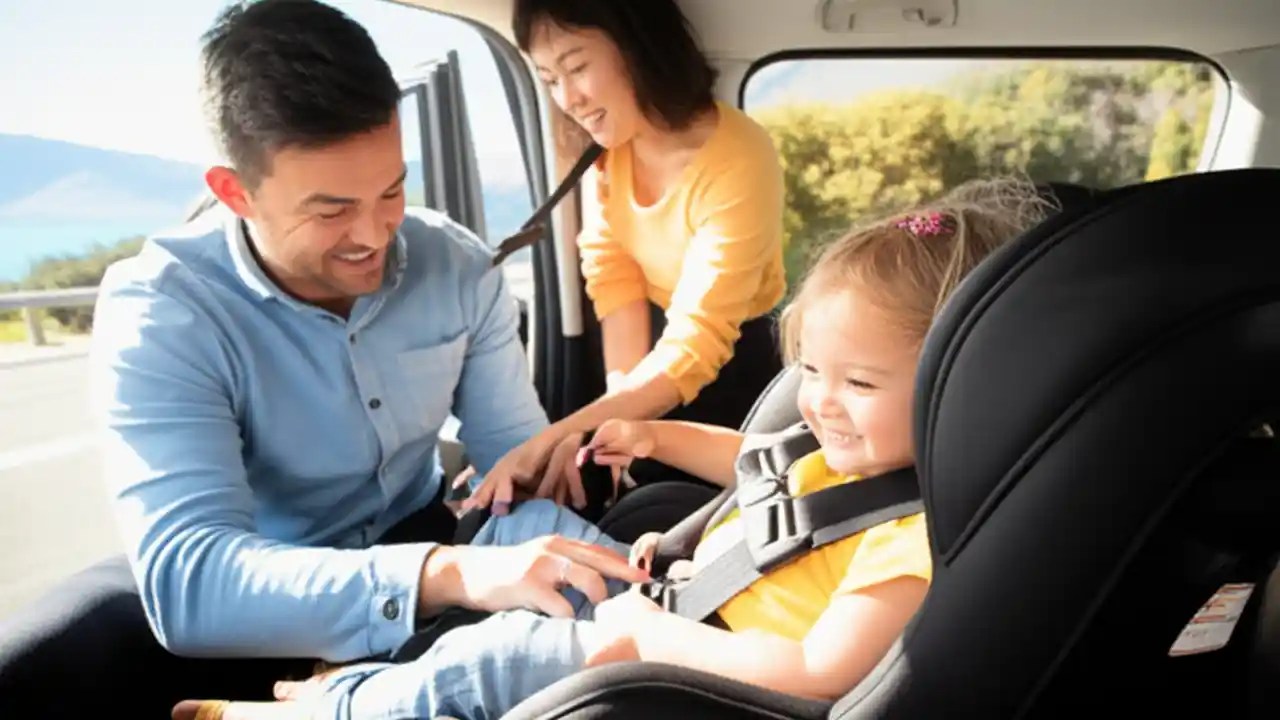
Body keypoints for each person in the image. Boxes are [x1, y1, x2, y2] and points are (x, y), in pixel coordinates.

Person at [173, 177, 1057, 720]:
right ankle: (388, 672)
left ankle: (336, 708)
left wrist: (652, 632)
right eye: (813, 369)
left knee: (504, 651)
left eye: (859, 384)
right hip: (684, 596)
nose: (822, 400)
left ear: (960, 390)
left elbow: (818, 673)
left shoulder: (910, 539)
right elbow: (759, 462)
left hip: (696, 667)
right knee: (536, 527)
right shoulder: (855, 450)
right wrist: (656, 437)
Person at [0, 2, 647, 716]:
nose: (374, 234)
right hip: (259, 599)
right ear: (234, 192)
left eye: (394, 190)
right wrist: (451, 573)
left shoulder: (458, 267)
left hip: (427, 535)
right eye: (331, 210)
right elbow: (191, 582)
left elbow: (513, 473)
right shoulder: (162, 310)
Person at [464, 0, 789, 513]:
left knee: (660, 510)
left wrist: (560, 436)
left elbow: (699, 339)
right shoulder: (608, 151)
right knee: (588, 487)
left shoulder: (738, 157)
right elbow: (616, 282)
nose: (567, 97)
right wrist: (612, 421)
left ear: (637, 48)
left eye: (577, 68)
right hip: (647, 361)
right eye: (549, 79)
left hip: (732, 366)